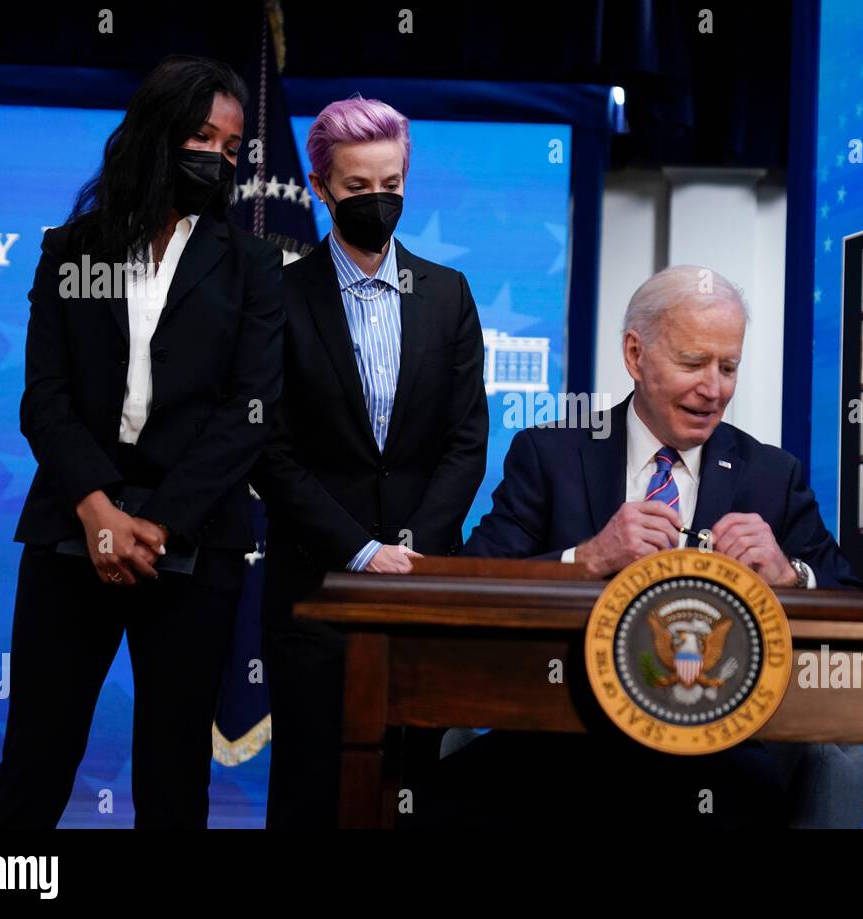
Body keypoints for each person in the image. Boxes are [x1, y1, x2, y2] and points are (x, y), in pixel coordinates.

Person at [447, 265, 863, 829]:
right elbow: (470, 584)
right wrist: (586, 559)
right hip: (566, 734)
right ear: (635, 355)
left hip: (716, 751)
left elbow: (857, 604)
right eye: (693, 363)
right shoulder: (550, 455)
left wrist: (791, 575)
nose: (714, 387)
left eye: (729, 367)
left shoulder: (771, 475)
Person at [0, 57, 285, 829]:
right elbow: (43, 398)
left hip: (195, 540)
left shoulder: (250, 264)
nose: (216, 157)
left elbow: (252, 409)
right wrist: (98, 510)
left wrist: (159, 523)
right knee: (34, 763)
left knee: (173, 775)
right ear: (155, 135)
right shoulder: (72, 247)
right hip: (71, 528)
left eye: (231, 144)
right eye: (200, 136)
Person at [250, 98, 488, 829]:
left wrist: (410, 549)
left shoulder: (448, 295)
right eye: (358, 187)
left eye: (391, 184)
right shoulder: (277, 298)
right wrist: (359, 550)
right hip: (314, 589)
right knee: (311, 792)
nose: (377, 200)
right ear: (320, 189)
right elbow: (269, 447)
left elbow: (466, 441)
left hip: (420, 596)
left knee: (412, 792)